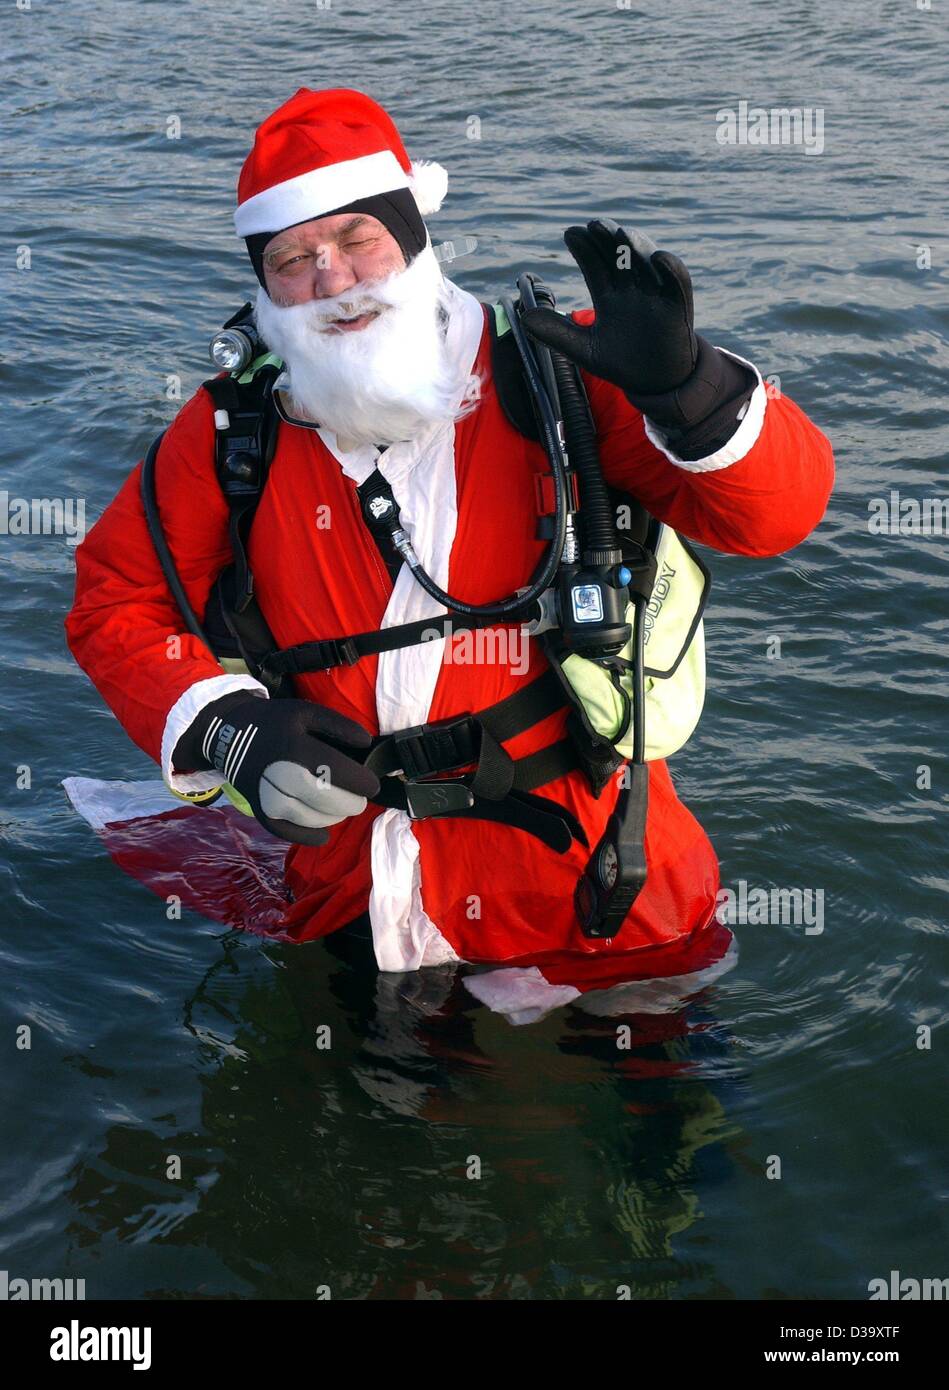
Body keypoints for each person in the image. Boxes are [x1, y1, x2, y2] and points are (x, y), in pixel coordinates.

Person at [66, 87, 834, 988]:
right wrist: (227, 726)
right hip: (347, 891)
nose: (332, 280)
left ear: (414, 238)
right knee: (357, 1118)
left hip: (588, 891)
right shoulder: (233, 427)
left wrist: (688, 388)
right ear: (262, 285)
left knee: (663, 1117)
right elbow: (116, 599)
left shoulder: (564, 373)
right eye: (292, 259)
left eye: (358, 240)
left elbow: (776, 515)